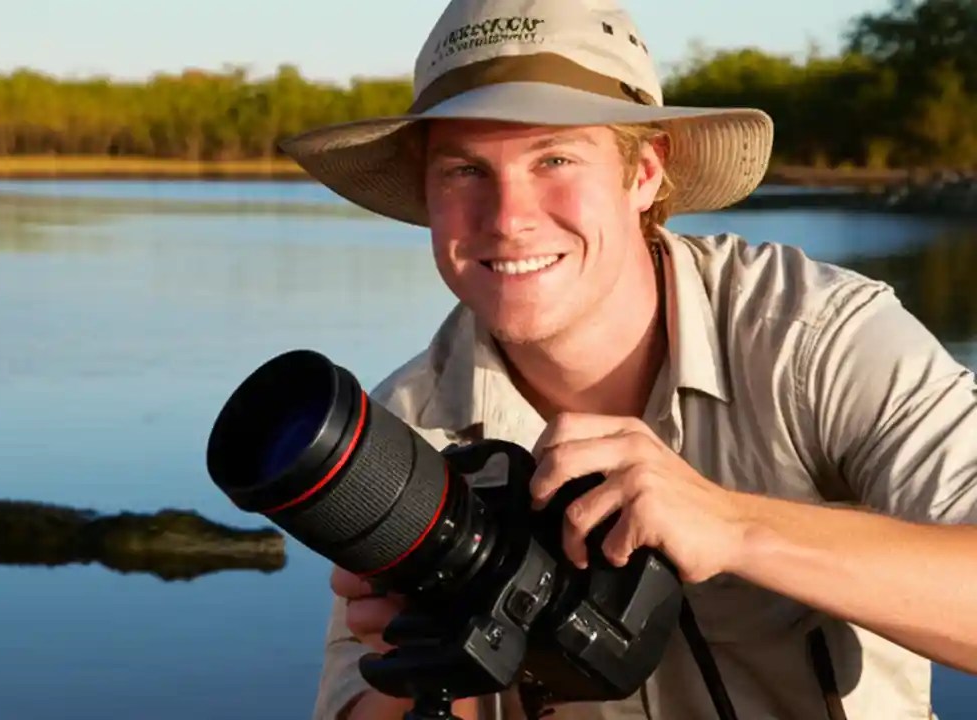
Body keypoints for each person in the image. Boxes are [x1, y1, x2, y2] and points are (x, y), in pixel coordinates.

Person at [274, 0, 977, 718]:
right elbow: (355, 700)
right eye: (463, 170)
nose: (509, 217)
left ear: (644, 173)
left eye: (554, 158)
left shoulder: (816, 339)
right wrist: (424, 673)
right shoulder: (406, 430)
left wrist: (735, 528)